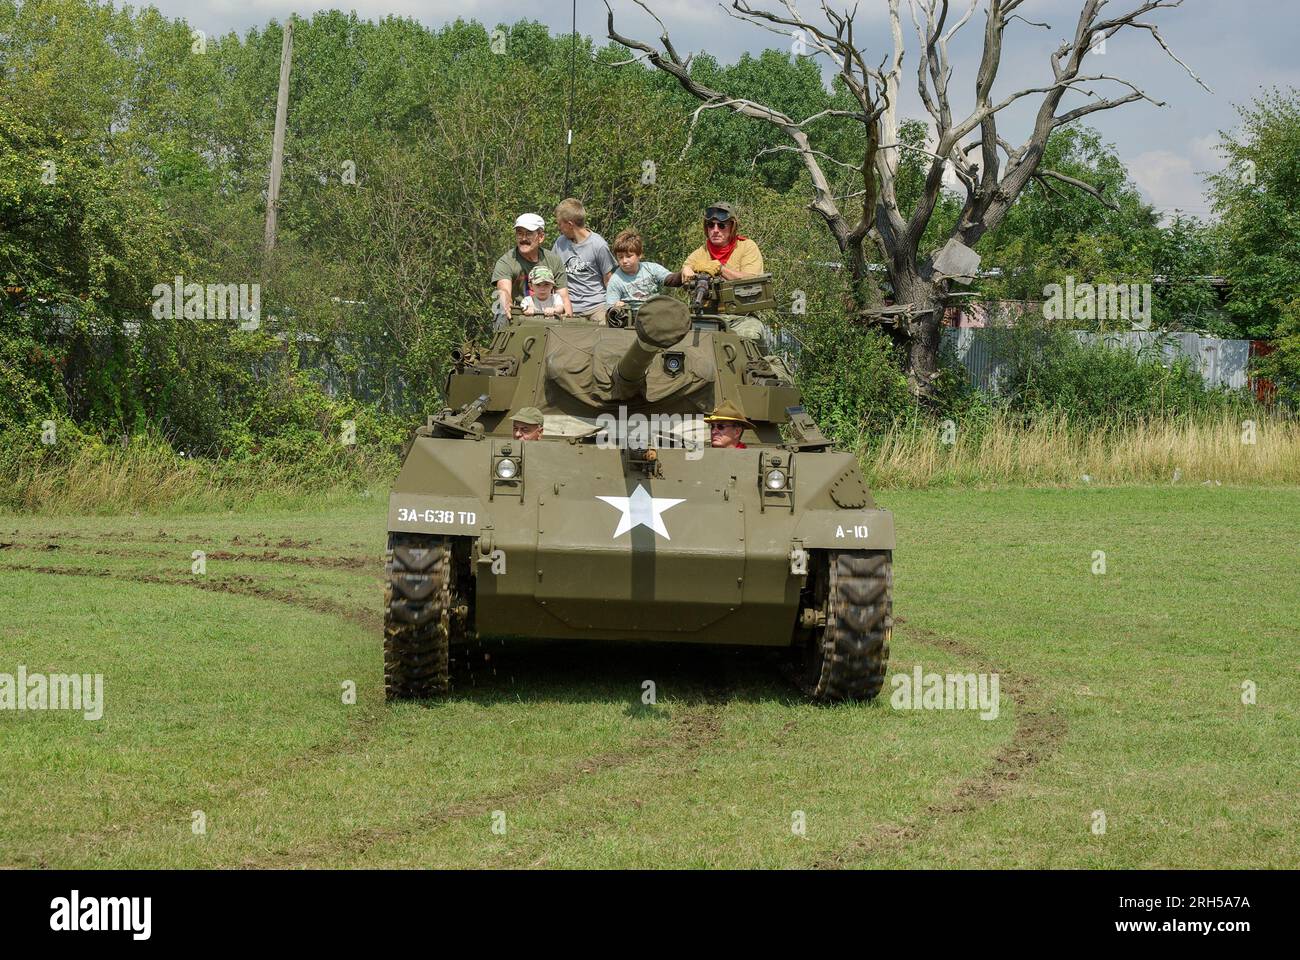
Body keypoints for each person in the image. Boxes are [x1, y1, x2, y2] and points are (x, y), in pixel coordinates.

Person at [492, 213, 572, 324]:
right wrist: (506, 303)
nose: (523, 238)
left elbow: (563, 297)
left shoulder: (553, 260)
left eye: (529, 234)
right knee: (501, 311)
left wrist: (567, 323)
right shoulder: (506, 261)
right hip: (519, 313)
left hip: (549, 313)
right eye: (519, 233)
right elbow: (503, 290)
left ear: (541, 237)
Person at [552, 198, 616, 324]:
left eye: (560, 224)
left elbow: (609, 281)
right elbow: (551, 271)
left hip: (597, 307)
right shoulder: (560, 243)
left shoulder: (598, 245)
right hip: (570, 307)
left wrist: (614, 305)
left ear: (570, 225)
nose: (559, 228)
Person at [679, 202, 765, 283]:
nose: (715, 230)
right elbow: (687, 267)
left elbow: (752, 279)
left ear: (732, 227)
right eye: (711, 225)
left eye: (721, 226)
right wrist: (687, 269)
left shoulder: (747, 247)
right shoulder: (701, 252)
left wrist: (721, 269)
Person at [606, 229, 673, 312]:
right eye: (620, 257)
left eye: (629, 256)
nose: (624, 261)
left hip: (656, 316)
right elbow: (610, 310)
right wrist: (615, 307)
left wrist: (684, 273)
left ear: (640, 254)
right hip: (632, 321)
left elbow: (671, 279)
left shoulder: (652, 269)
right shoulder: (615, 280)